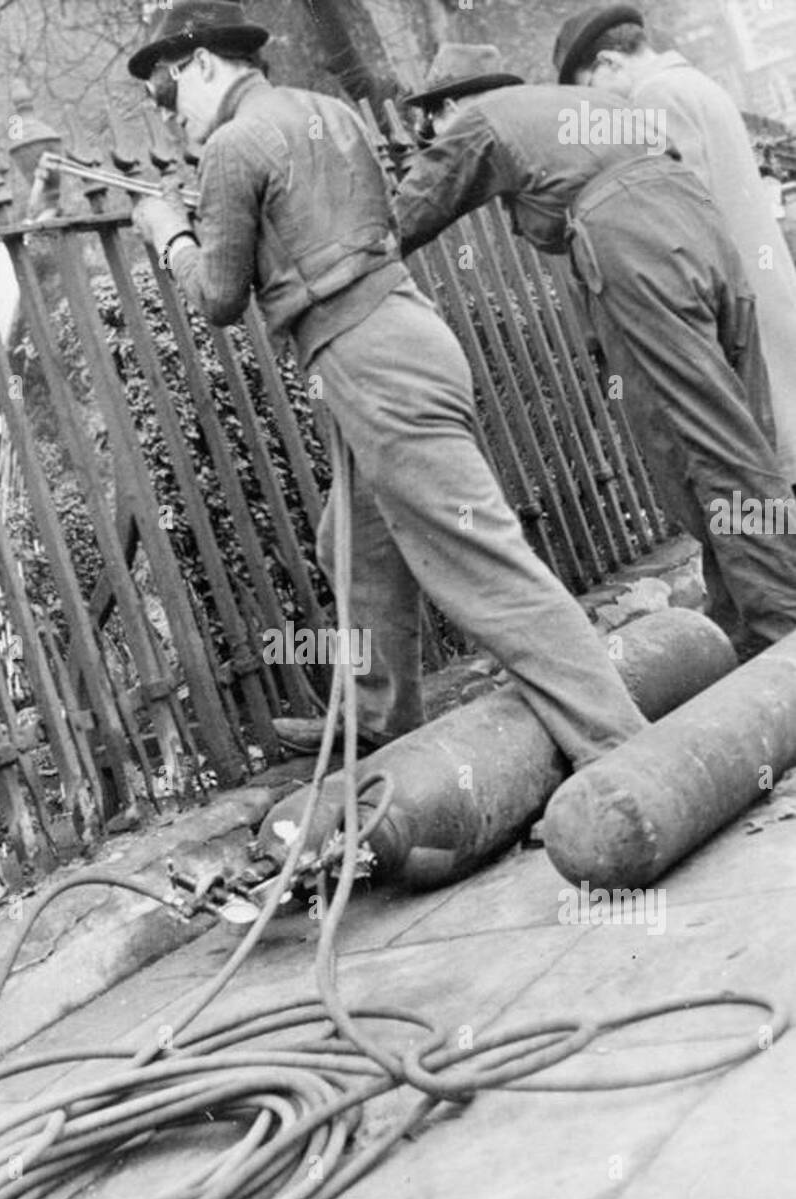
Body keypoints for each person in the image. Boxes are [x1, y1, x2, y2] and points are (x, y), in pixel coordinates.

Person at [126, 1, 647, 769]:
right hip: (399, 335)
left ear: (202, 63)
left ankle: (625, 750)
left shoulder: (235, 145)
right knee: (352, 540)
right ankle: (378, 720)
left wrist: (169, 232)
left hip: (368, 362)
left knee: (481, 562)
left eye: (167, 94)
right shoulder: (329, 113)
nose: (169, 116)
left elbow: (218, 297)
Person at [395, 46, 796, 660]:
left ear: (452, 103)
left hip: (637, 244)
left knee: (699, 443)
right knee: (744, 431)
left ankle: (781, 639)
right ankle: (743, 618)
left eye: (431, 122)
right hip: (701, 228)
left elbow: (402, 218)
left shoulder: (480, 120)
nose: (432, 136)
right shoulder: (582, 106)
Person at [554, 4, 796, 490]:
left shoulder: (655, 96)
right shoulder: (694, 83)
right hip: (761, 279)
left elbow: (679, 211)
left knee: (776, 447)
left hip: (736, 294)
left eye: (590, 91)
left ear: (608, 64)